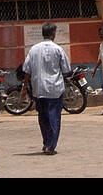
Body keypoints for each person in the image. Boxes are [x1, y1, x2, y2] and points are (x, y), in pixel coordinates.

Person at [21, 22, 70, 155]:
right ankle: (50, 145)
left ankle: (46, 142)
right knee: (54, 117)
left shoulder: (33, 49)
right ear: (53, 34)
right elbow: (66, 70)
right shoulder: (58, 49)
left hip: (39, 89)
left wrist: (24, 87)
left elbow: (27, 70)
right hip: (54, 89)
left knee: (43, 118)